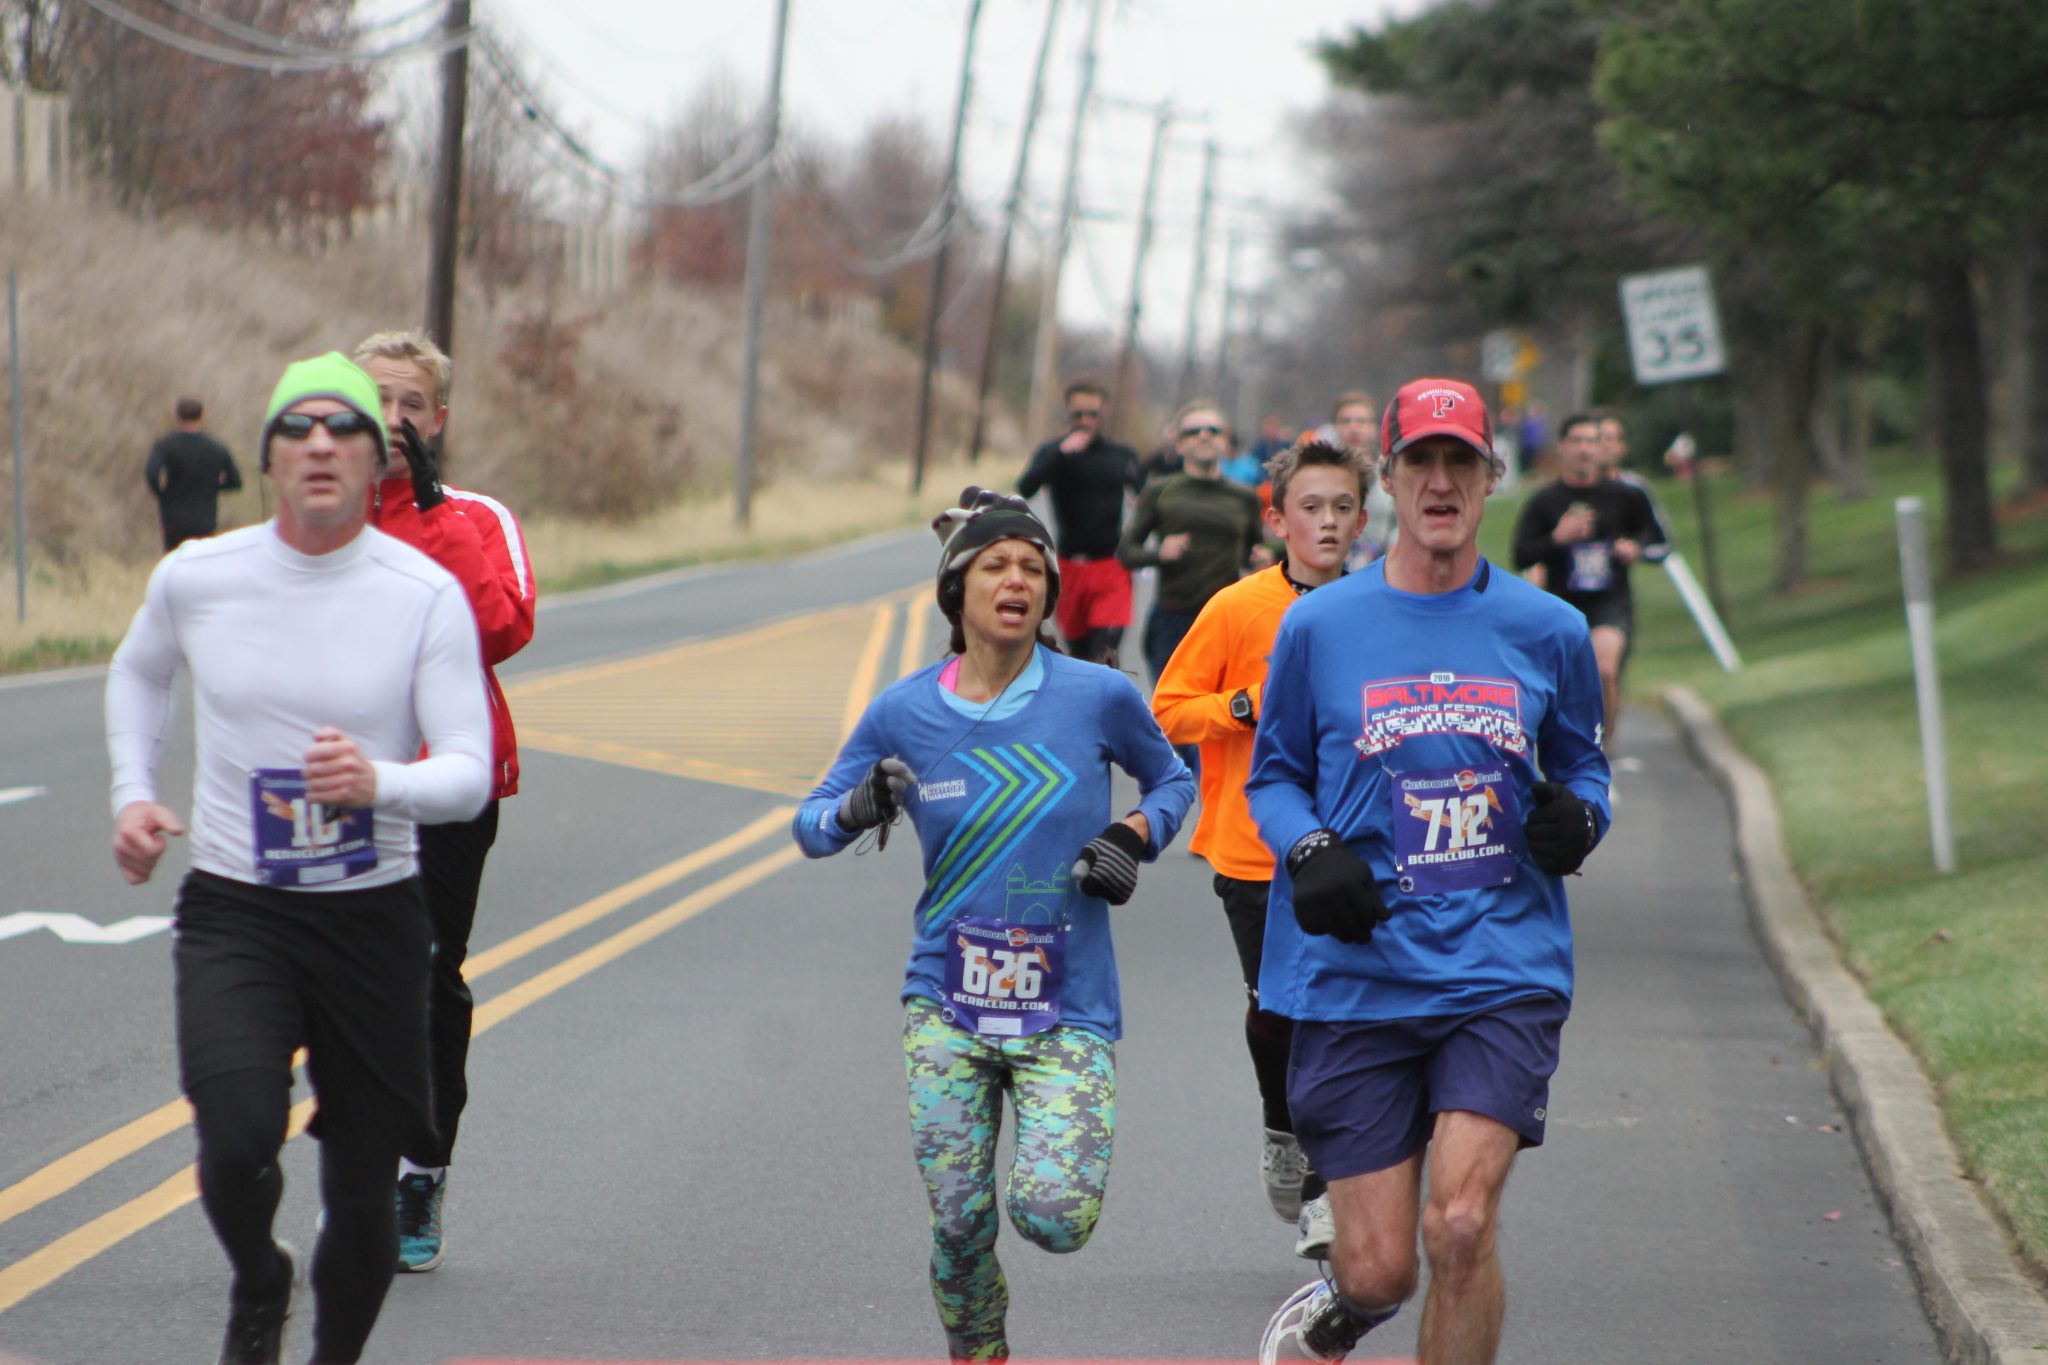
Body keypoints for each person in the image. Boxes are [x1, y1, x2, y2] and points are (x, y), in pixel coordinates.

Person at [106, 353, 492, 1365]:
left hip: (372, 918)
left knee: (361, 1191)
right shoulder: (200, 576)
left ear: (378, 460)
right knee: (235, 1138)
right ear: (269, 456)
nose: (320, 442)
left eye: (344, 428)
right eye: (296, 428)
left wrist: (381, 783)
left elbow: (469, 767)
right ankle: (260, 1278)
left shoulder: (421, 594)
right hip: (240, 910)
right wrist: (132, 794)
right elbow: (138, 674)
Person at [1248, 377, 1609, 1363]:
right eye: (1420, 462)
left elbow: (1583, 768)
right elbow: (1272, 779)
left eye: (1461, 462)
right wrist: (1311, 849)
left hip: (1501, 966)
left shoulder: (1548, 630)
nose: (1439, 482)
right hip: (1354, 975)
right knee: (1377, 1270)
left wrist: (1579, 821)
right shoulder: (1320, 627)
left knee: (1456, 1222)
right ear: (1388, 483)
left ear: (1490, 477)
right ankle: (1341, 1309)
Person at [794, 487, 1193, 1362]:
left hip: (1068, 1006)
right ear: (957, 590)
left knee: (1055, 1219)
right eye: (995, 565)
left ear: (1049, 594)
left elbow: (1175, 782)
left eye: (1032, 569)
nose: (1016, 580)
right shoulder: (903, 710)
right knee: (960, 1217)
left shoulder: (1097, 695)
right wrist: (855, 810)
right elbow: (809, 826)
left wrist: (1133, 834)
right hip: (946, 1002)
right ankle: (979, 1346)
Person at [1149, 438, 1370, 1261]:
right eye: (1310, 507)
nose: (1327, 522)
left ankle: (1324, 1190)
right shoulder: (1238, 608)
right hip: (1251, 851)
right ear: (1276, 517)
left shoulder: (1380, 606)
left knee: (1339, 1018)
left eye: (1342, 507)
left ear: (1362, 518)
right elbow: (1168, 710)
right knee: (1279, 1015)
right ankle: (1283, 1124)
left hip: (1352, 851)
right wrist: (1242, 703)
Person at [352, 329, 537, 1274]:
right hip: (332, 787)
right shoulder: (315, 513)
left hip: (447, 784)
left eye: (410, 404)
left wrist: (426, 508)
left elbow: (498, 627)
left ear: (440, 419)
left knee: (424, 972)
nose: (391, 420)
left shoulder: (473, 514)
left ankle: (420, 1165)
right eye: (374, 398)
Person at [1117, 399, 1264, 776]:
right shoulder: (1161, 491)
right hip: (1173, 618)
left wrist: (1262, 561)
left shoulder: (1243, 497)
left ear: (1225, 441)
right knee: (1180, 720)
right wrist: (1158, 552)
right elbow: (1127, 551)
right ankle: (1199, 781)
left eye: (1212, 430)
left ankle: (1212, 795)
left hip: (1226, 623)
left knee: (1224, 720)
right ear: (1178, 443)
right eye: (1193, 431)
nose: (1204, 437)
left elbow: (1255, 550)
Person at [1509, 412, 1668, 747]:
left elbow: (1656, 537)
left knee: (1605, 670)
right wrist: (1558, 538)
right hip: (1562, 602)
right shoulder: (1544, 501)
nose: (1584, 450)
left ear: (1603, 448)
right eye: (1577, 441)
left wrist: (1634, 547)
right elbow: (1521, 555)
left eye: (1592, 442)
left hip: (1610, 600)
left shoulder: (1625, 496)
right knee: (1564, 685)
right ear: (1562, 448)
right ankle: (1563, 743)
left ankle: (1603, 747)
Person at [1015, 378, 1143, 663]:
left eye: (1093, 414)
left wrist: (1139, 502)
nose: (1085, 421)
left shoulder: (1120, 456)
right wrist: (1060, 453)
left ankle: (1109, 704)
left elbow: (1146, 495)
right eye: (1078, 415)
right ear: (1068, 414)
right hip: (1070, 568)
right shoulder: (1054, 453)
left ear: (1103, 414)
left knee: (1104, 655)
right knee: (1078, 655)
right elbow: (1026, 487)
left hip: (1110, 567)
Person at [145, 396, 243, 551]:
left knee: (174, 560)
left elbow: (151, 474)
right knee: (202, 562)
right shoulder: (216, 447)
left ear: (177, 416)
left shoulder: (165, 445)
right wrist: (212, 486)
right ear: (203, 415)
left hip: (173, 518)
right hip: (205, 520)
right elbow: (235, 481)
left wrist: (163, 494)